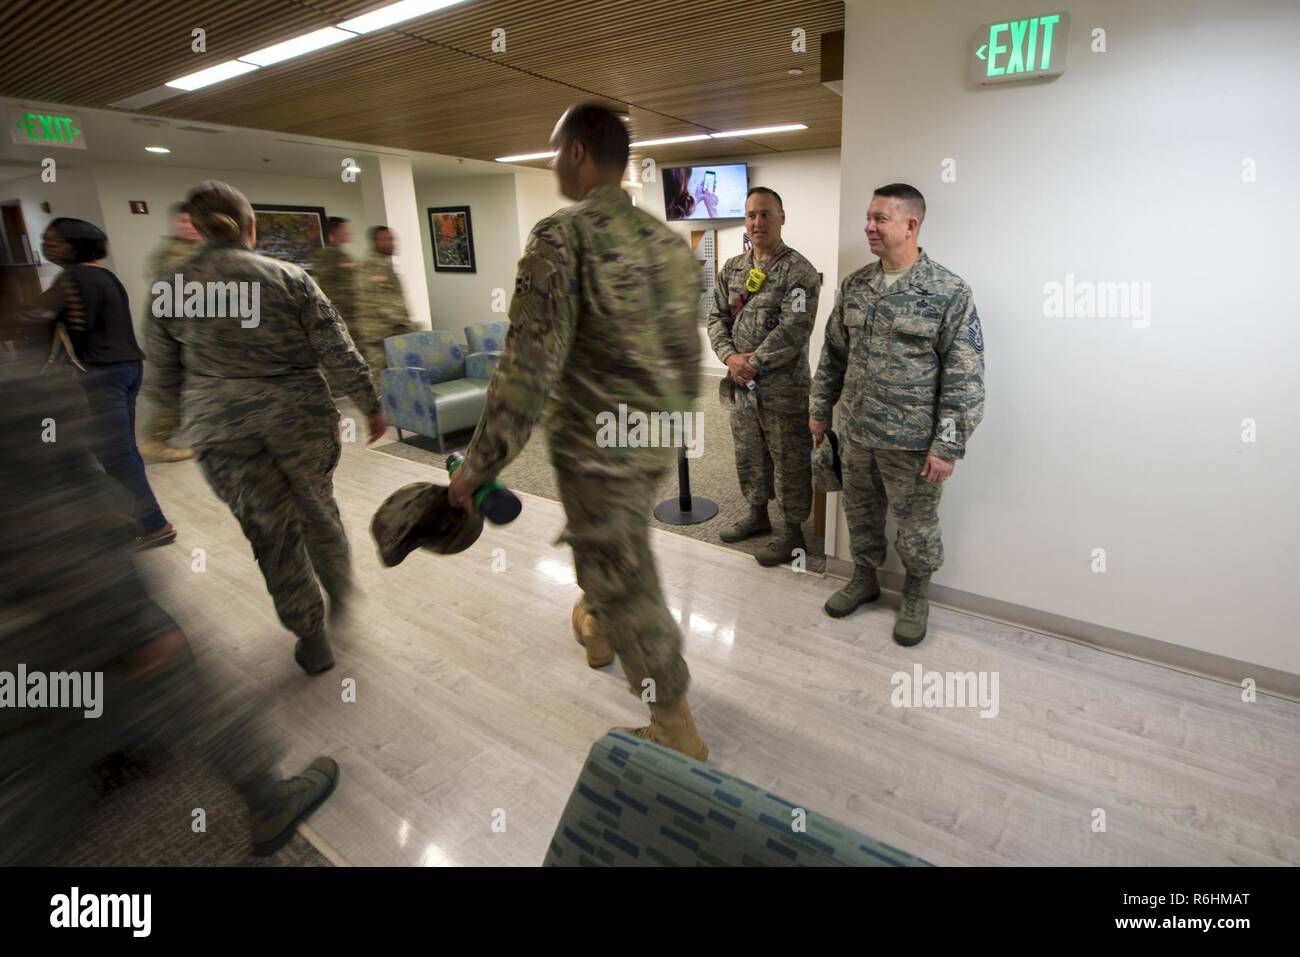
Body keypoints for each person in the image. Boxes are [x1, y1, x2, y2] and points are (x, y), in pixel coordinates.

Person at [0, 315, 339, 863]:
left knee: (28, 766)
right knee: (188, 690)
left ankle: (102, 751)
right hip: (57, 626)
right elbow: (53, 529)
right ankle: (267, 800)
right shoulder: (13, 394)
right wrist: (130, 625)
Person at [446, 102, 708, 760]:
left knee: (625, 574)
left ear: (579, 155)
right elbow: (687, 355)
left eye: (555, 149)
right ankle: (598, 625)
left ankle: (675, 724)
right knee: (609, 547)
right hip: (652, 436)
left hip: (596, 446)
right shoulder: (671, 246)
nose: (552, 160)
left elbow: (526, 366)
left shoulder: (560, 236)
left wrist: (479, 463)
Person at [147, 181, 385, 674]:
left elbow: (163, 368)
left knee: (269, 530)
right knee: (317, 507)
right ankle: (339, 590)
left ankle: (310, 634)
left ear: (197, 228)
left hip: (219, 427)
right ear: (250, 226)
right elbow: (336, 349)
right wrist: (370, 404)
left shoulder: (172, 287)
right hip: (298, 418)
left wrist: (186, 414)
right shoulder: (288, 278)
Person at [810, 184, 985, 645]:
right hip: (856, 433)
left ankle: (915, 595)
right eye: (868, 217)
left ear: (911, 224)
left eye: (880, 218)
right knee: (859, 514)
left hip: (912, 444)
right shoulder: (856, 286)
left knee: (916, 528)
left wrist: (947, 446)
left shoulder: (948, 291)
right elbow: (832, 356)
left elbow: (965, 380)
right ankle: (864, 579)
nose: (868, 226)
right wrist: (819, 411)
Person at [38, 218, 176, 549]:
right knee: (123, 450)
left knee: (114, 453)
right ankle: (139, 515)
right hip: (128, 368)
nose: (48, 245)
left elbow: (70, 324)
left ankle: (153, 524)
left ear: (75, 244)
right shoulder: (105, 275)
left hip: (102, 373)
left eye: (54, 240)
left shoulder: (73, 278)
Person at [707, 186, 821, 566]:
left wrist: (750, 363)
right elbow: (716, 318)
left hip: (783, 389)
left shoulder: (799, 271)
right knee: (749, 452)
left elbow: (794, 330)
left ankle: (792, 534)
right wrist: (729, 357)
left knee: (789, 459)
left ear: (782, 217)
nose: (758, 222)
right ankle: (757, 516)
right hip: (741, 388)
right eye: (752, 215)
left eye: (766, 214)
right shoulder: (733, 269)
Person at [139, 202, 201, 463]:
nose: (191, 228)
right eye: (186, 222)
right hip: (175, 332)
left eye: (196, 222)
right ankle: (157, 439)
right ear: (176, 223)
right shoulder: (174, 254)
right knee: (174, 386)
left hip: (194, 331)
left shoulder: (197, 251)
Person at [355, 225, 415, 387]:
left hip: (392, 332)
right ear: (375, 242)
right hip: (380, 333)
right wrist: (406, 324)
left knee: (398, 376)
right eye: (386, 239)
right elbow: (377, 301)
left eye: (393, 239)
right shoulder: (370, 265)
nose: (392, 243)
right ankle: (384, 411)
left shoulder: (385, 264)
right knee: (382, 378)